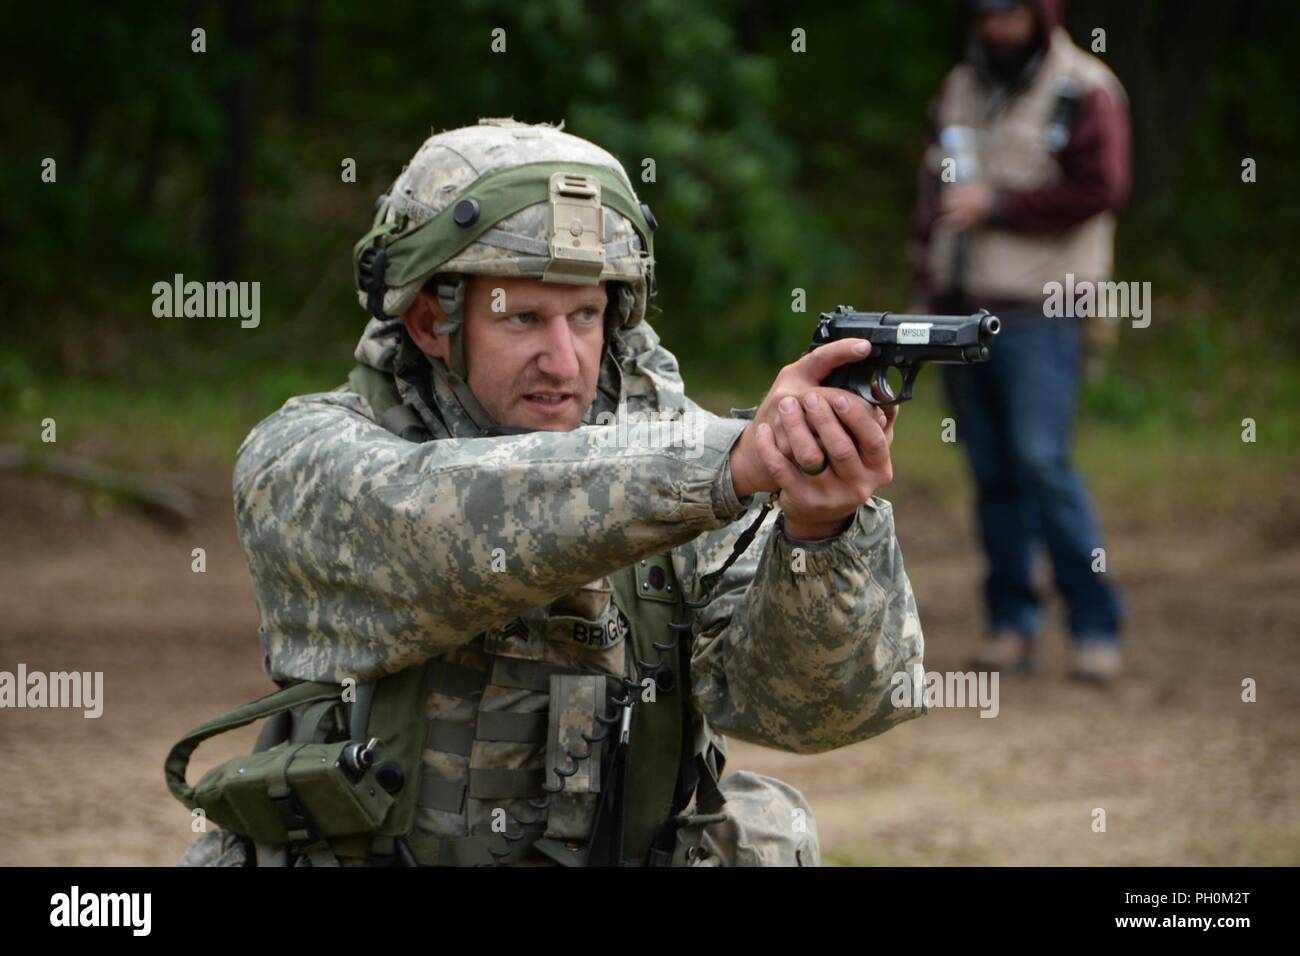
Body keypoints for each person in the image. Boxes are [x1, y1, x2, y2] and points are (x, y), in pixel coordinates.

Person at [174, 118, 925, 868]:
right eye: (524, 318)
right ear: (432, 320)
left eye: (586, 315)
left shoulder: (694, 469)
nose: (563, 360)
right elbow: (443, 523)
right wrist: (730, 464)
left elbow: (811, 711)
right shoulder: (306, 459)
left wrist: (819, 532)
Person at [909, 0, 1129, 681]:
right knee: (992, 473)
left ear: (1040, 15)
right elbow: (932, 190)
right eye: (984, 17)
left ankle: (1094, 624)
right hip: (963, 308)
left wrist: (997, 205)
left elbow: (1103, 188)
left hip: (1044, 310)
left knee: (1041, 463)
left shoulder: (1087, 90)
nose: (994, 30)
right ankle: (1011, 624)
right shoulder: (960, 87)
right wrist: (925, 288)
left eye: (1007, 16)